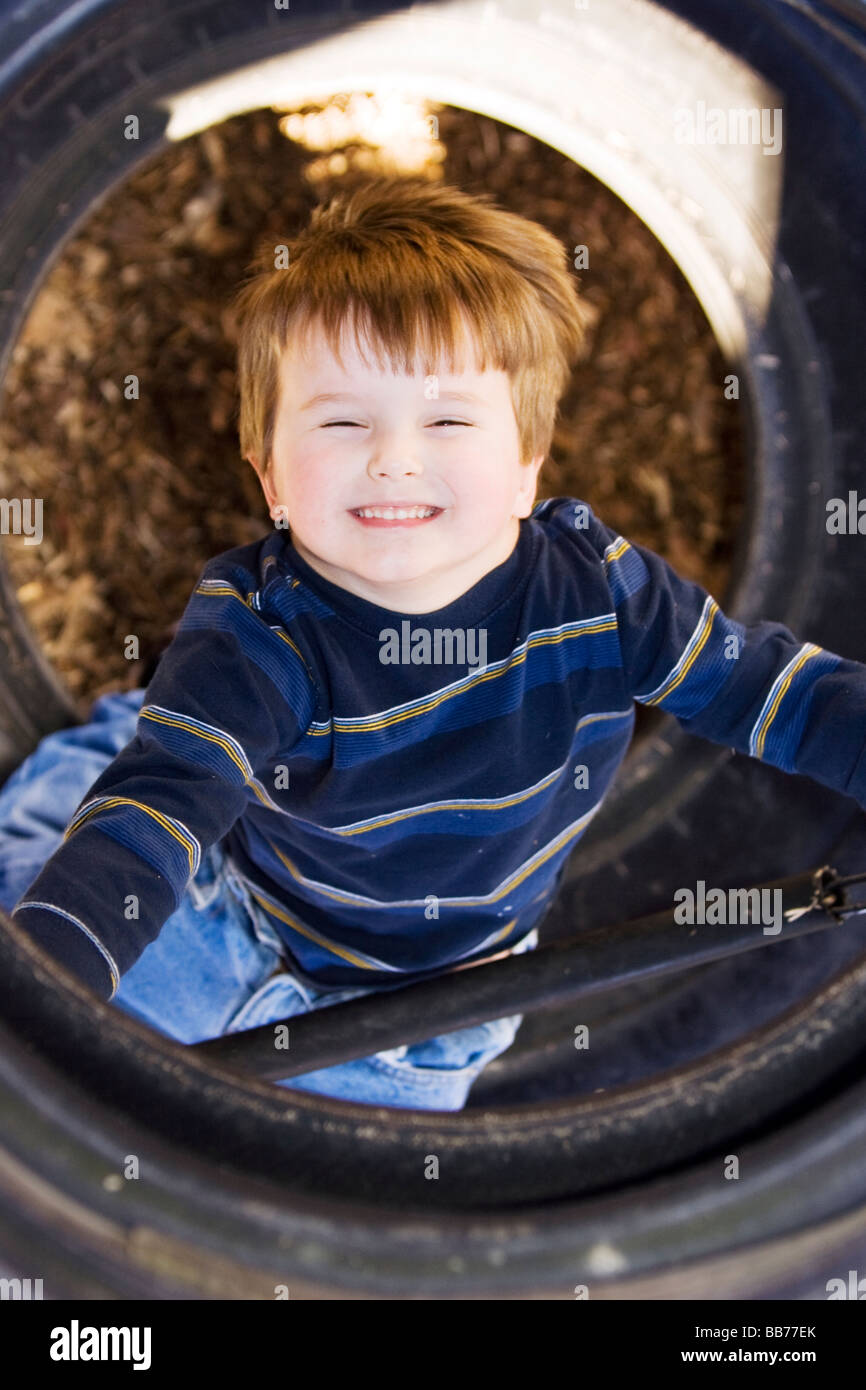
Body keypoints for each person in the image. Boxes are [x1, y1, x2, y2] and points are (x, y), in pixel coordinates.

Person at [1, 176, 864, 1111]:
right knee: (56, 889)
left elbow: (779, 694)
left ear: (528, 465)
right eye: (342, 420)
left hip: (437, 1011)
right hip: (229, 928)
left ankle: (146, 725)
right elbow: (152, 820)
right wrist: (47, 991)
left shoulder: (598, 594)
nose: (395, 456)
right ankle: (116, 744)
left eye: (448, 419)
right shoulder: (258, 633)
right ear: (270, 478)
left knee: (332, 1191)